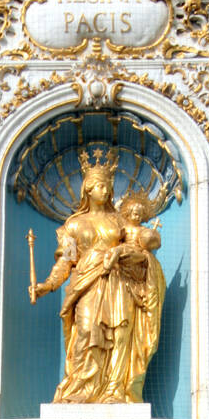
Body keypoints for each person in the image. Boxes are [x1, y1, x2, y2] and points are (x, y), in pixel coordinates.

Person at [30, 154, 165, 404]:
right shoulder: (73, 225)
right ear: (88, 189)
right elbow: (66, 261)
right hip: (88, 282)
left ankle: (115, 390)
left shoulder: (120, 221)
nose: (107, 190)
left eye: (108, 186)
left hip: (119, 282)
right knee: (86, 330)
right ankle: (80, 389)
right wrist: (47, 285)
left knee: (121, 334)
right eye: (100, 186)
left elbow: (140, 248)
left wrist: (132, 253)